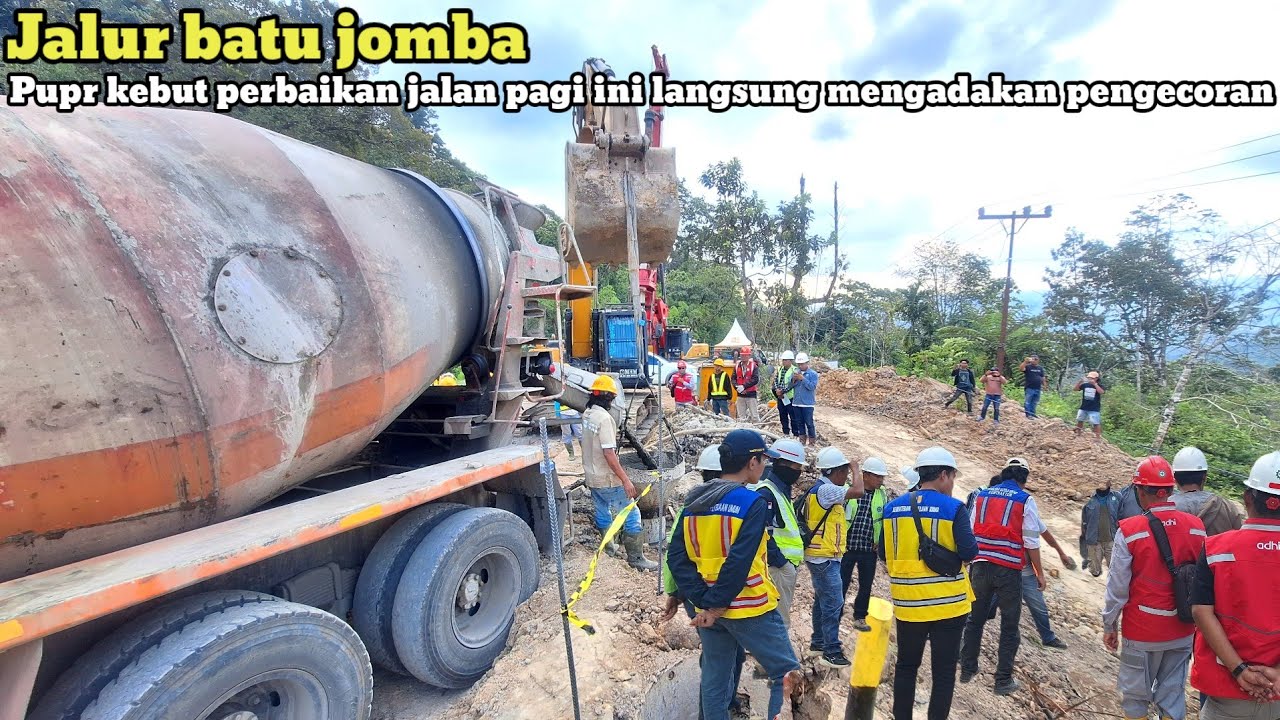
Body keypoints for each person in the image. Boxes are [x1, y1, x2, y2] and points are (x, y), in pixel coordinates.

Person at [665, 430, 803, 720]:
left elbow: (677, 557)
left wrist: (704, 600)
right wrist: (714, 605)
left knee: (715, 676)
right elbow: (739, 561)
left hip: (707, 607)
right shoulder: (750, 503)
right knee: (785, 673)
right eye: (763, 460)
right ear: (752, 462)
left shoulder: (694, 502)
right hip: (748, 606)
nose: (765, 466)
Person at [1101, 456, 1206, 720]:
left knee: (1135, 699)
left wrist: (1109, 624)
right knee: (1172, 696)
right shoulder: (1197, 528)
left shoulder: (1130, 530)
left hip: (1143, 631)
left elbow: (1118, 586)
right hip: (1182, 630)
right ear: (1169, 490)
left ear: (1140, 491)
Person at [881, 446, 978, 720]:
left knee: (906, 667)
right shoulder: (954, 508)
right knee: (944, 672)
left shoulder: (892, 508)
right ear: (945, 475)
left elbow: (882, 552)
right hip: (948, 606)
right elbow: (970, 552)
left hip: (908, 604)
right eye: (953, 478)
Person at [661, 446, 753, 720]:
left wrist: (675, 594)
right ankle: (715, 711)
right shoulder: (743, 506)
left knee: (728, 657)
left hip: (701, 598)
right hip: (728, 601)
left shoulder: (692, 507)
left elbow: (675, 556)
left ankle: (727, 703)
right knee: (720, 663)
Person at [1189, 450, 1280, 720]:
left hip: (1225, 692)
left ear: (1247, 497)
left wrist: (1240, 670)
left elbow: (1201, 612)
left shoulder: (1217, 548)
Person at [960, 457, 1046, 695]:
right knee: (1009, 625)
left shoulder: (983, 495)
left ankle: (967, 668)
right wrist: (1039, 572)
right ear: (1024, 479)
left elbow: (970, 527)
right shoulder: (1025, 500)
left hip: (980, 565)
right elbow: (1030, 540)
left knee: (974, 620)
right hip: (1008, 570)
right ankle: (1003, 680)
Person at [581, 374, 659, 571]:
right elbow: (609, 453)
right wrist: (625, 480)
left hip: (592, 475)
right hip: (607, 478)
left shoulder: (587, 414)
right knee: (632, 513)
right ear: (608, 397)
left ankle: (609, 548)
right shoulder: (605, 419)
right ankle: (636, 558)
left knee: (602, 510)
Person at [802, 447, 866, 668]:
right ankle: (831, 651)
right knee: (834, 602)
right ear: (835, 471)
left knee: (823, 600)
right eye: (845, 471)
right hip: (823, 557)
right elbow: (859, 490)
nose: (847, 476)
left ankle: (818, 643)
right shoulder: (826, 491)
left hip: (823, 555)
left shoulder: (822, 490)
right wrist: (856, 468)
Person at [746, 438, 807, 629]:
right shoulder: (767, 491)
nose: (799, 472)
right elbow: (761, 530)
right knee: (777, 620)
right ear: (783, 464)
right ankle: (775, 657)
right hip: (776, 566)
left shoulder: (779, 489)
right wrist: (780, 561)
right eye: (797, 467)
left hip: (781, 564)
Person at [840, 456, 891, 632]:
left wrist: (880, 541)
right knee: (842, 582)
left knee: (866, 584)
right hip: (847, 546)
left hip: (869, 548)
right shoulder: (849, 491)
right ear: (866, 475)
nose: (881, 480)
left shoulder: (881, 494)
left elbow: (883, 519)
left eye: (882, 477)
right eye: (878, 476)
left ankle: (860, 616)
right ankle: (836, 613)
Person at [1170, 446, 1243, 537]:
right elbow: (1238, 538)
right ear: (1205, 477)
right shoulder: (1226, 507)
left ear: (1175, 478)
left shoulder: (1166, 508)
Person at [1081, 478, 1122, 576]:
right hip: (1095, 542)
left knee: (1114, 569)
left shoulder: (1117, 497)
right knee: (1095, 571)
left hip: (1112, 540)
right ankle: (1092, 567)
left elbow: (1122, 515)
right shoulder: (1090, 501)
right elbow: (1084, 522)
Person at [791, 353, 820, 447]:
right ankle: (802, 440)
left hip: (807, 404)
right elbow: (791, 386)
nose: (800, 366)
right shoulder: (796, 372)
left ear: (807, 363)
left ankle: (812, 441)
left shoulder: (813, 374)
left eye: (802, 364)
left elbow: (812, 387)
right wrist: (794, 380)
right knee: (799, 423)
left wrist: (803, 379)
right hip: (797, 403)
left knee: (809, 423)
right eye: (799, 364)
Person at [773, 351, 799, 437]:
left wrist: (782, 391)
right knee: (782, 415)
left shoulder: (794, 370)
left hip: (790, 397)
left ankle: (795, 434)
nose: (783, 361)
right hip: (781, 397)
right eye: (783, 360)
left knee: (793, 416)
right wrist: (777, 390)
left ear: (790, 360)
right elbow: (776, 380)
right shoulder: (780, 369)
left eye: (785, 360)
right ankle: (786, 432)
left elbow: (792, 383)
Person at [1074, 371, 1105, 441]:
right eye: (1089, 378)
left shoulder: (1100, 385)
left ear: (1096, 378)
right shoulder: (1085, 385)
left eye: (1091, 378)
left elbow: (1101, 392)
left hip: (1094, 408)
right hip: (1084, 406)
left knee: (1096, 423)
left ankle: (1097, 437)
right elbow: (1075, 389)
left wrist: (1095, 385)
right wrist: (1079, 382)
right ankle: (1078, 433)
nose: (1090, 379)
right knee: (1080, 420)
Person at [734, 346, 761, 423]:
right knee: (741, 416)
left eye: (745, 355)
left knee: (754, 416)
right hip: (740, 395)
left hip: (751, 394)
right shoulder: (737, 366)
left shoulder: (753, 366)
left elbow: (755, 379)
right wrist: (737, 387)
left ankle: (757, 431)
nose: (744, 357)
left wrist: (744, 386)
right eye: (742, 355)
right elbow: (733, 378)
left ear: (749, 355)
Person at [1019, 355, 1046, 419]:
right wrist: (1025, 362)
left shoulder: (1040, 368)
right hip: (1029, 387)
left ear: (1038, 360)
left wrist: (1044, 385)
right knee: (1028, 401)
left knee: (1034, 402)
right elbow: (1021, 369)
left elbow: (1042, 377)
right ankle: (1028, 414)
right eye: (1033, 359)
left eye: (1036, 359)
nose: (1035, 360)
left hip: (1038, 388)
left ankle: (1033, 413)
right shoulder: (1028, 367)